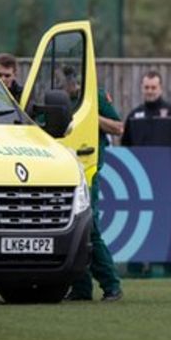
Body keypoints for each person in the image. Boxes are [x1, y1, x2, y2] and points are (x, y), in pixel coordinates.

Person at [121, 70, 171, 277]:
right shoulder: (134, 116)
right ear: (142, 89)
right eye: (147, 87)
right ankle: (136, 266)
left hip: (166, 180)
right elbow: (125, 147)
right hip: (139, 182)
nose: (150, 91)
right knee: (138, 221)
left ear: (160, 88)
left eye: (154, 87)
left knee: (168, 222)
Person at [66, 86, 125, 302]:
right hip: (62, 172)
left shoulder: (95, 96)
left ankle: (111, 284)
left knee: (89, 230)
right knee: (73, 230)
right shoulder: (53, 96)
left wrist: (92, 117)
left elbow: (118, 127)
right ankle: (81, 288)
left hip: (88, 171)